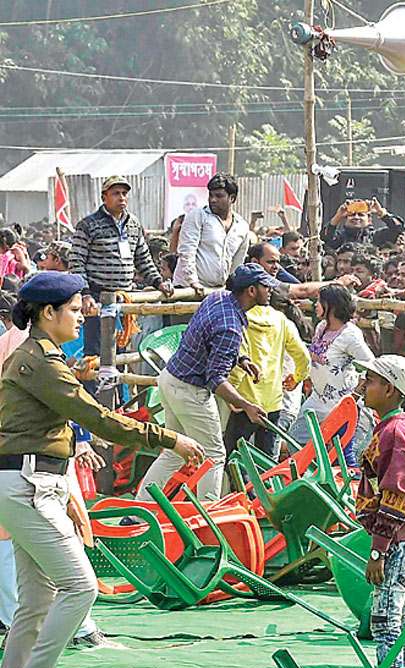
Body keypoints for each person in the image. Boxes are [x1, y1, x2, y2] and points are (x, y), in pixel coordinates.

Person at [0, 272, 203, 668]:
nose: (81, 317)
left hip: (34, 480)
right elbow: (99, 419)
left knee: (36, 602)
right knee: (81, 586)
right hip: (28, 483)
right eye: (73, 309)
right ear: (47, 313)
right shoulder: (42, 361)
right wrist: (171, 439)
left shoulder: (41, 358)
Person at [138, 265, 275, 501]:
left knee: (174, 451)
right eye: (266, 286)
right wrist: (245, 404)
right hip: (190, 390)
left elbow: (206, 340)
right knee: (214, 453)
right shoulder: (230, 327)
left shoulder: (218, 297)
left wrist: (240, 359)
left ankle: (139, 510)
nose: (271, 290)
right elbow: (215, 379)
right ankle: (208, 516)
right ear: (251, 291)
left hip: (170, 378)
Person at [352, 354, 405, 668]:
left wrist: (378, 552)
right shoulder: (395, 427)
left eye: (370, 381)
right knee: (401, 615)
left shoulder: (396, 433)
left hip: (400, 536)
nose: (363, 386)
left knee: (386, 617)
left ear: (389, 389)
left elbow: (396, 496)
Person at [67, 176, 172, 328]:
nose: (121, 197)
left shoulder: (133, 224)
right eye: (116, 193)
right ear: (104, 197)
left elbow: (143, 260)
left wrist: (158, 282)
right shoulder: (88, 225)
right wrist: (85, 294)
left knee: (121, 347)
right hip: (97, 297)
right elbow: (76, 262)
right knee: (97, 348)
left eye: (124, 193)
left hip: (124, 297)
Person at [289, 284, 375, 460]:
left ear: (331, 306)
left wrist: (357, 394)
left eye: (319, 302)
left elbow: (371, 364)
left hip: (340, 405)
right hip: (317, 400)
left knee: (343, 457)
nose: (315, 305)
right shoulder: (321, 327)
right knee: (296, 442)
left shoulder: (350, 335)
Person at [225, 287, 310, 458]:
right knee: (269, 461)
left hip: (244, 402)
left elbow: (240, 361)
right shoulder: (281, 320)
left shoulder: (240, 317)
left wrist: (230, 393)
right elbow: (303, 357)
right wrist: (297, 377)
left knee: (233, 456)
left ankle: (239, 485)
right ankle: (267, 486)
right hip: (273, 402)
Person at [174, 173, 254, 289]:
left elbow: (237, 262)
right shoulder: (198, 216)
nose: (213, 200)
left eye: (219, 196)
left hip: (218, 290)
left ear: (232, 198)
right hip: (188, 288)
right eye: (210, 195)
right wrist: (193, 282)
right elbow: (187, 251)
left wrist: (231, 284)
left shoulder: (242, 226)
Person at [321, 198, 405, 251]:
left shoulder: (377, 236)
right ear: (345, 219)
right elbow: (324, 238)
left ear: (369, 220)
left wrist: (381, 213)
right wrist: (338, 216)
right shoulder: (339, 237)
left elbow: (399, 229)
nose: (356, 217)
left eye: (361, 215)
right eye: (352, 215)